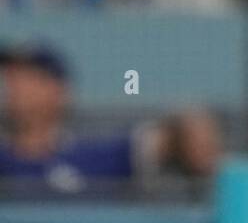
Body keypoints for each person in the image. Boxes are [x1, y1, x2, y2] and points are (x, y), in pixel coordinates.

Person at [0, 44, 221, 189]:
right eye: (10, 76)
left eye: (28, 77)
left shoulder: (92, 154)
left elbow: (182, 130)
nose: (14, 86)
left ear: (57, 90)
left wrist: (192, 131)